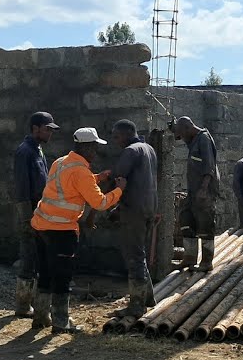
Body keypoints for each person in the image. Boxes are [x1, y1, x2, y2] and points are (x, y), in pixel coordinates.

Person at [31, 127, 126, 333]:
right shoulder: (81, 172)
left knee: (45, 272)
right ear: (86, 147)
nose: (96, 152)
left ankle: (40, 317)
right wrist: (119, 190)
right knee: (63, 276)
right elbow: (100, 202)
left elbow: (69, 184)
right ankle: (61, 322)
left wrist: (97, 178)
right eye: (94, 147)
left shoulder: (61, 162)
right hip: (61, 230)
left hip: (41, 225)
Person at [12, 111, 59, 321]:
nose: (50, 133)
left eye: (51, 129)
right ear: (35, 128)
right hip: (31, 213)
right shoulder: (25, 152)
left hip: (40, 212)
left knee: (38, 258)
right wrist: (26, 218)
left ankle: (29, 303)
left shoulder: (38, 150)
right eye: (47, 128)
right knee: (29, 258)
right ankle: (22, 305)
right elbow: (22, 188)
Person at [110, 120, 158, 318]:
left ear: (129, 132)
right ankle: (148, 298)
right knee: (141, 253)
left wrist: (109, 204)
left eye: (117, 136)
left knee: (134, 256)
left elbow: (119, 179)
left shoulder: (130, 151)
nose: (115, 141)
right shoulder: (149, 149)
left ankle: (136, 305)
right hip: (148, 208)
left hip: (134, 211)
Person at [171, 116, 220, 271]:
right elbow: (183, 137)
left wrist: (204, 189)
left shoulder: (204, 139)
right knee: (186, 219)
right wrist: (175, 130)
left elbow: (209, 166)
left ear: (188, 128)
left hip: (204, 191)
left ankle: (206, 262)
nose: (182, 138)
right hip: (194, 191)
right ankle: (190, 258)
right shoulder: (193, 139)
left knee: (205, 225)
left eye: (182, 133)